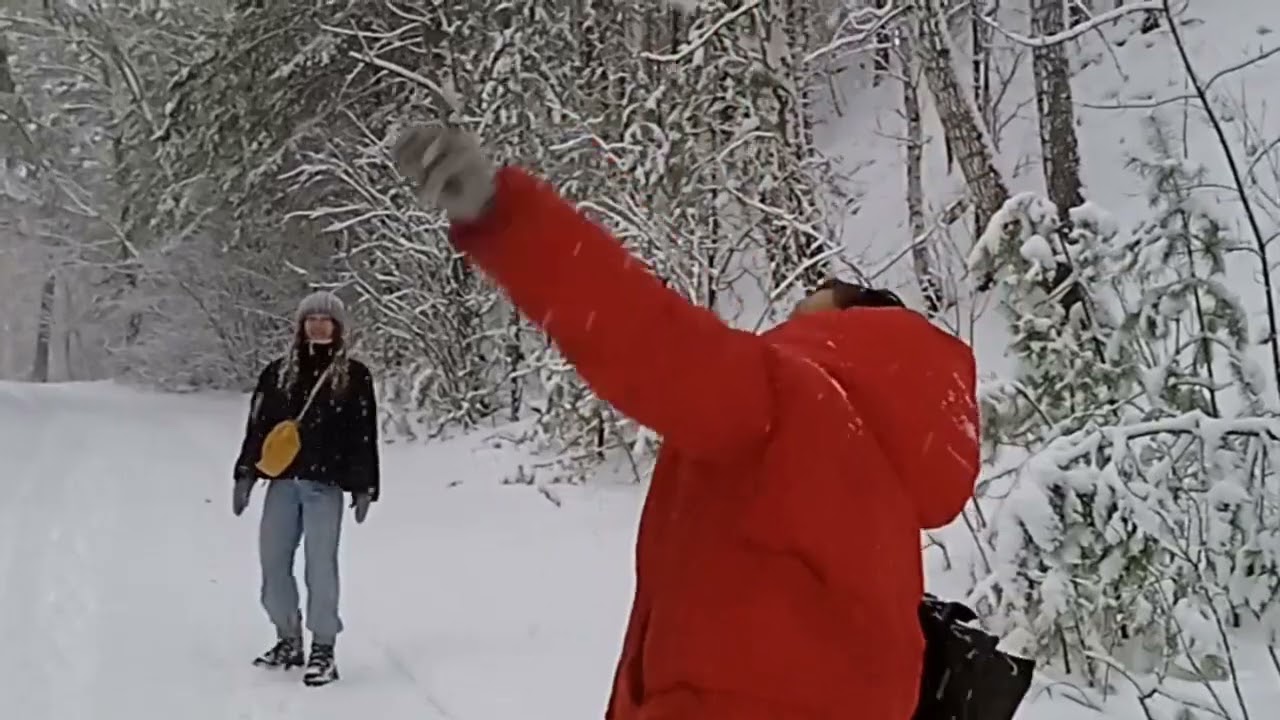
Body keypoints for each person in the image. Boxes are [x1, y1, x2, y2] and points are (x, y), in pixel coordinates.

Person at [391, 126, 979, 719]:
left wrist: (502, 214)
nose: (797, 304)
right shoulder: (892, 466)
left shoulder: (791, 398)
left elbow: (643, 333)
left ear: (848, 324)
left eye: (816, 294)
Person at [231, 290, 380, 687]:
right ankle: (288, 638)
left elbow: (363, 435)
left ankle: (323, 649)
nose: (317, 324)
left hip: (323, 486)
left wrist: (364, 486)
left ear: (337, 327)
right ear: (300, 325)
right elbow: (258, 426)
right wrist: (245, 474)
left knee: (321, 567)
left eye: (325, 319)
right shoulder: (278, 372)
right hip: (282, 484)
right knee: (273, 564)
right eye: (310, 318)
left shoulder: (354, 376)